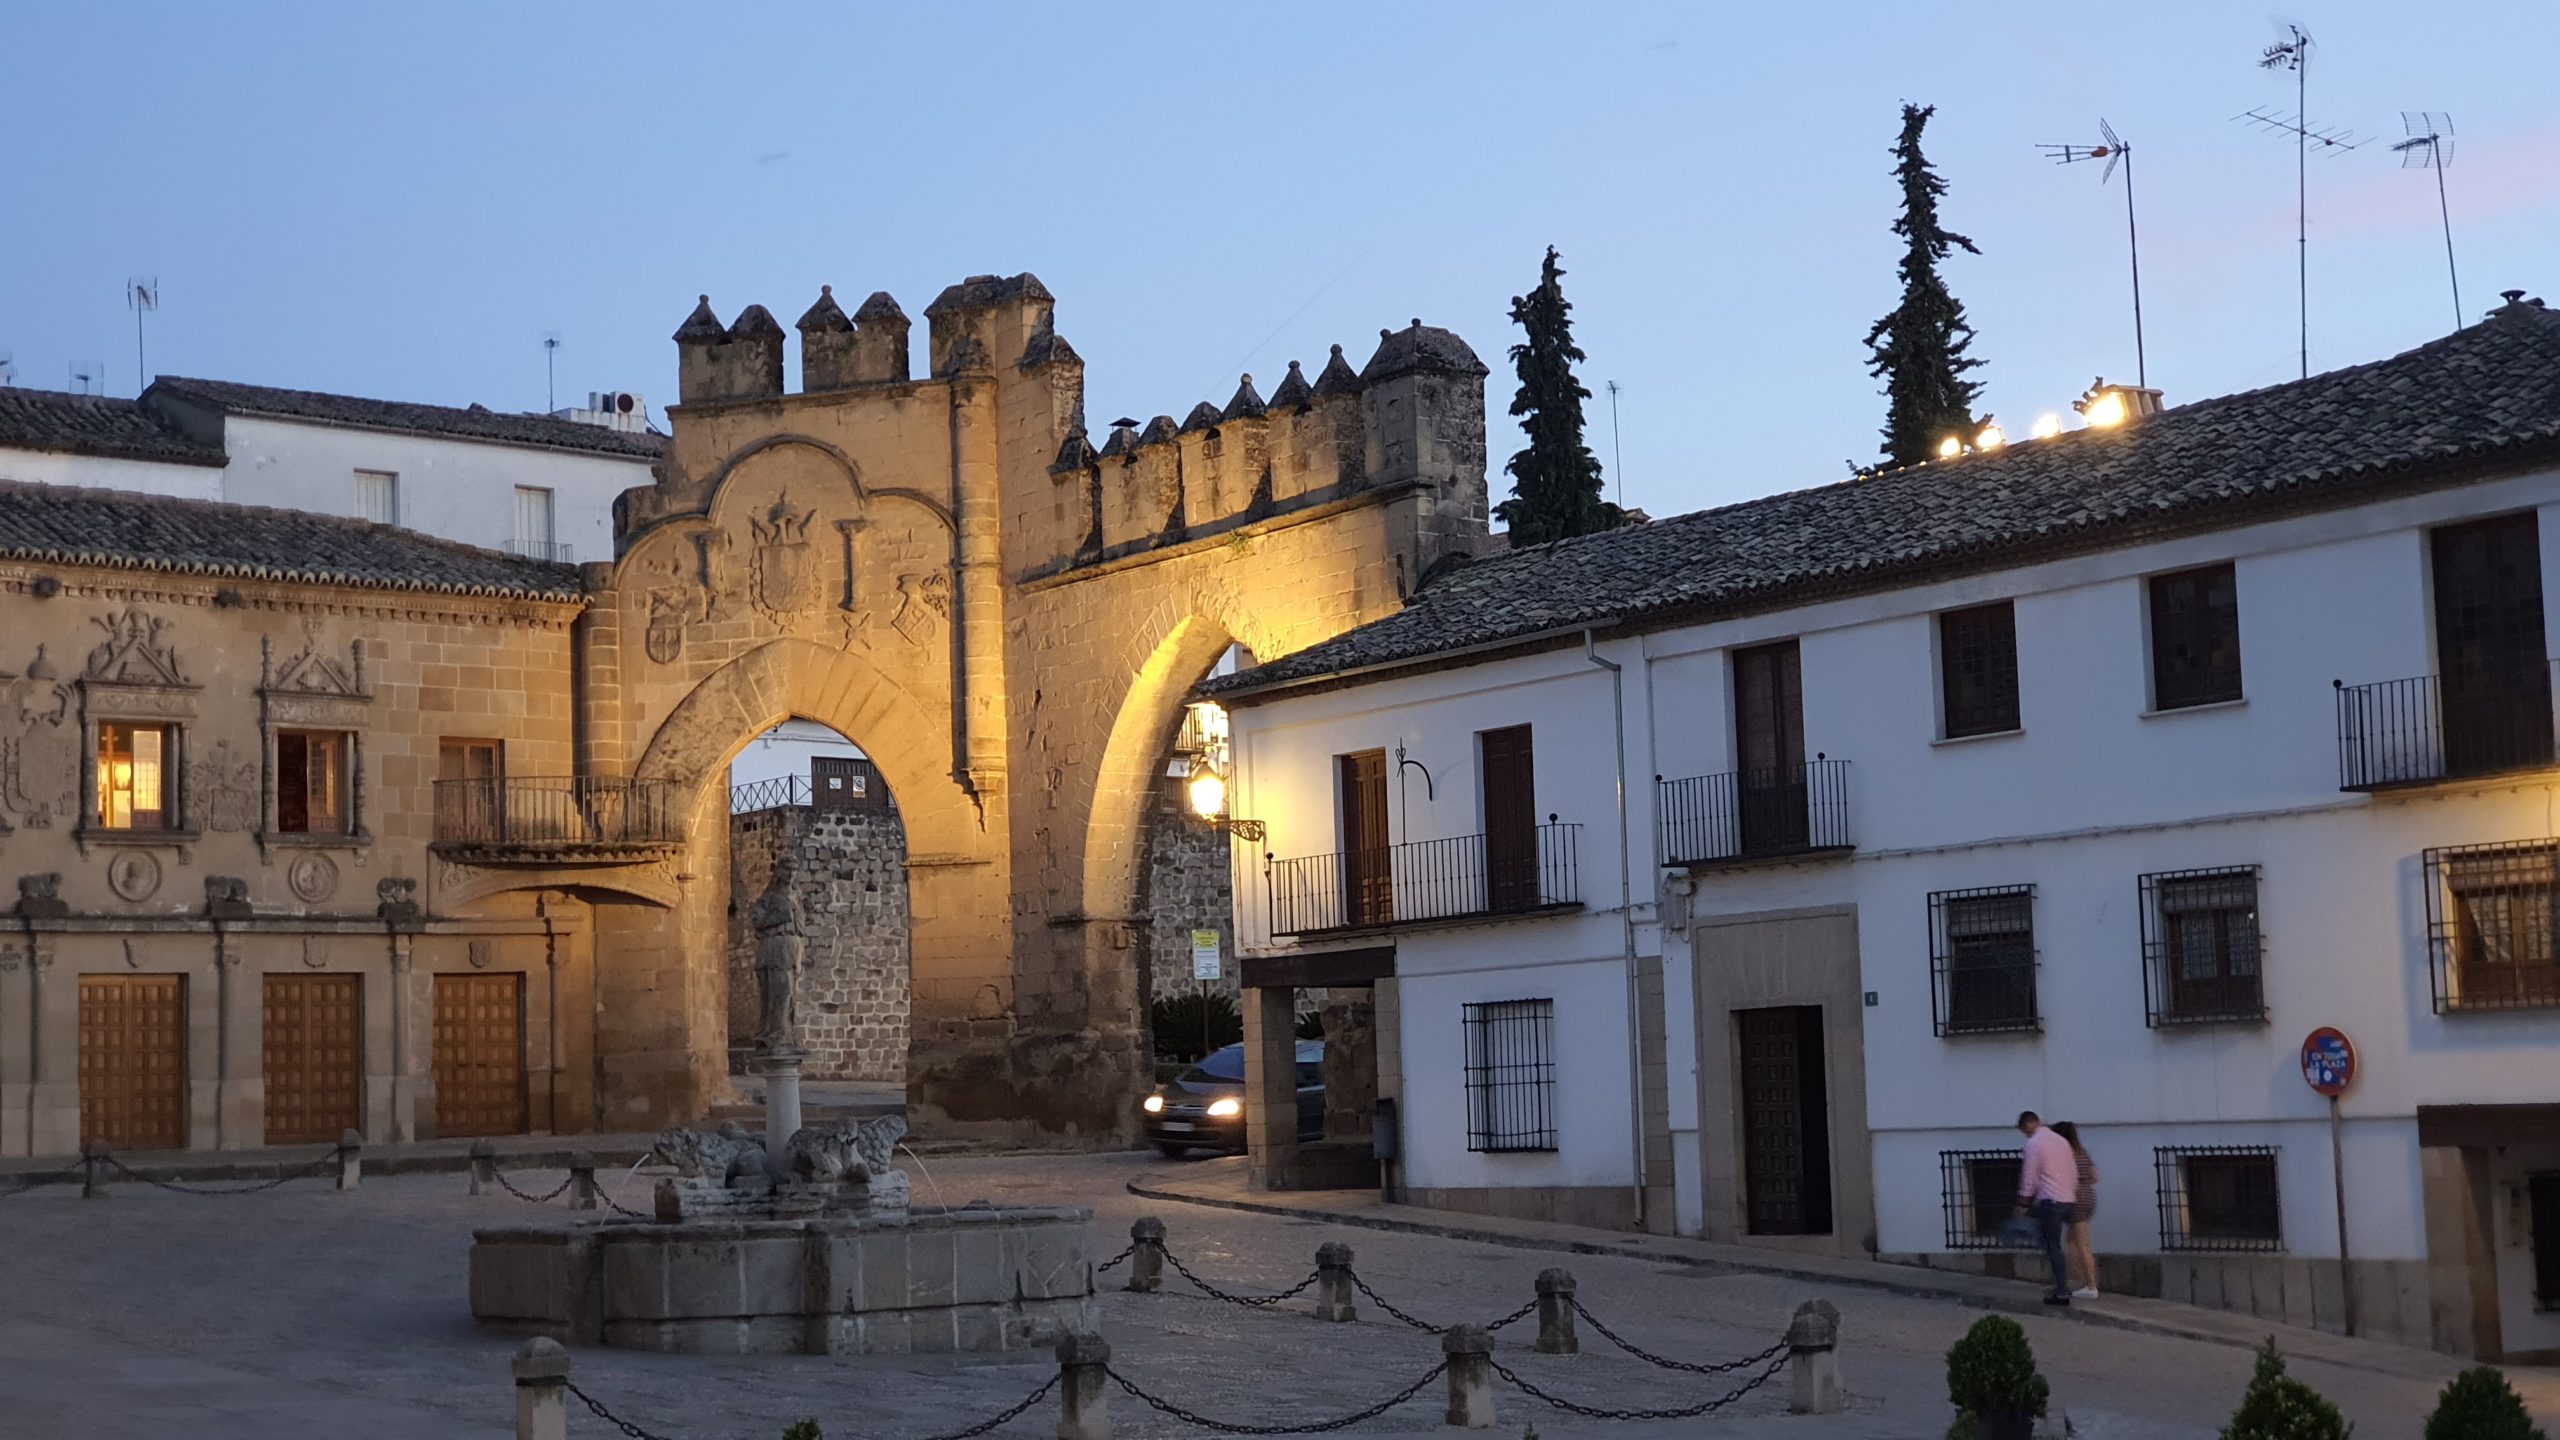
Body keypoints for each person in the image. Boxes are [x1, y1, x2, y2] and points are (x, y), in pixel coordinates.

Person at [2013, 1110, 2074, 1305]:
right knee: (2055, 1243)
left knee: (2052, 1246)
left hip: (2050, 1200)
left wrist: (2023, 1203)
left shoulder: (2034, 1143)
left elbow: (2030, 1176)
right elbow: (2072, 1170)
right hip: (2067, 1198)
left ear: (2027, 1125)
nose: (2026, 1135)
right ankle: (2062, 1286)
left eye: (2025, 1131)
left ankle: (2062, 1291)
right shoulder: (2061, 1141)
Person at [2051, 1120, 2099, 1300]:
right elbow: (2094, 1175)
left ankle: (2090, 1284)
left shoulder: (2064, 1153)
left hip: (2075, 1198)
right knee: (2072, 1240)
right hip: (2088, 1197)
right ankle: (2082, 1282)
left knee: (2080, 1244)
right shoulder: (2082, 1151)